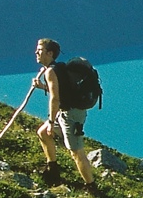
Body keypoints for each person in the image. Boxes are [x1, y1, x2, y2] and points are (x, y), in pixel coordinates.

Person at [31, 39, 96, 186]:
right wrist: (43, 87)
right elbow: (63, 91)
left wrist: (51, 122)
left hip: (71, 114)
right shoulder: (57, 68)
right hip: (67, 111)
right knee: (42, 133)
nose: (36, 52)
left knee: (76, 151)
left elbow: (55, 99)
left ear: (49, 53)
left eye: (40, 50)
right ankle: (52, 170)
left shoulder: (50, 71)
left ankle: (91, 186)